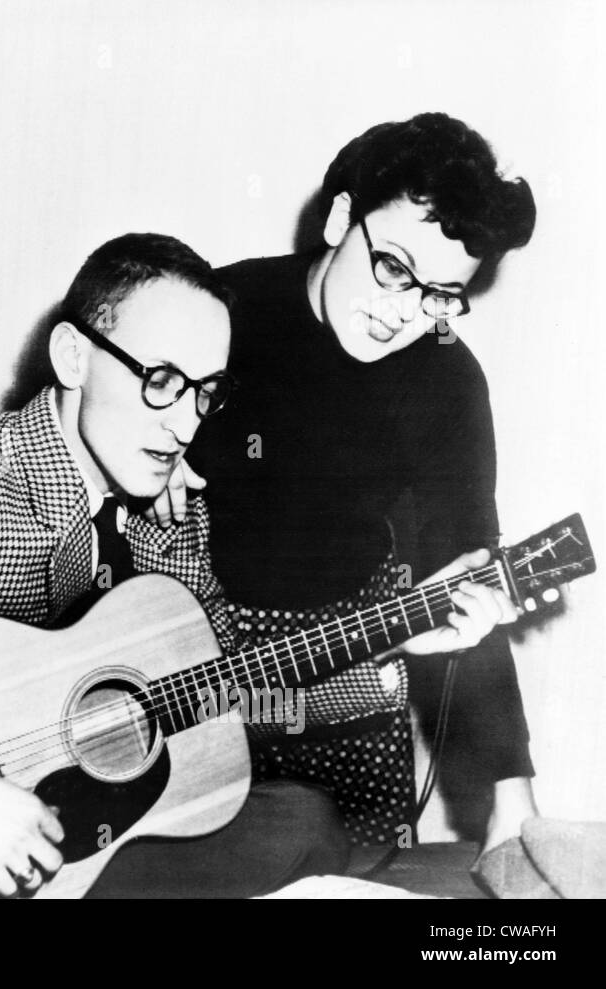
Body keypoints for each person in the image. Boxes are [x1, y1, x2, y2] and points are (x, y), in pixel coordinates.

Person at [0, 232, 515, 898]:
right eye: (159, 379)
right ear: (74, 359)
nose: (184, 422)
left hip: (80, 847)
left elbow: (222, 695)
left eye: (206, 392)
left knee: (303, 822)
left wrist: (396, 659)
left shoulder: (168, 518)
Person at [191, 112, 538, 864]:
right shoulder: (219, 312)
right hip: (186, 682)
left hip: (348, 694)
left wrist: (512, 796)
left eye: (442, 293)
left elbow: (461, 570)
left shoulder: (447, 382)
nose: (403, 311)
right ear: (342, 217)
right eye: (392, 269)